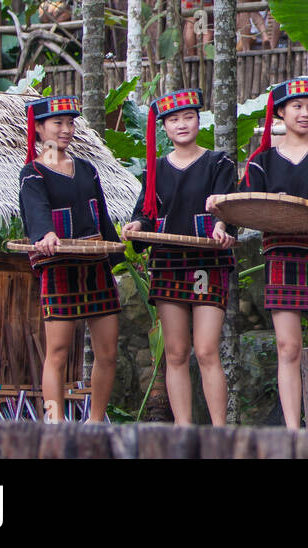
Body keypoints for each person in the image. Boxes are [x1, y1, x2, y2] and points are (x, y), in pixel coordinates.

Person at [233, 78, 308, 428]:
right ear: (280, 112)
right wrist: (222, 215)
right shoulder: (262, 162)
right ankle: (292, 433)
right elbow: (244, 206)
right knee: (288, 349)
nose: (305, 113)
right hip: (283, 257)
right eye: (297, 106)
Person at [121, 89, 237, 426]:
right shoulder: (155, 168)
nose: (182, 124)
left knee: (205, 350)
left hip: (207, 263)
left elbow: (227, 206)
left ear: (199, 120)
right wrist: (136, 225)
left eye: (188, 117)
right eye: (173, 120)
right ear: (164, 128)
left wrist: (221, 225)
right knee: (175, 353)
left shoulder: (219, 162)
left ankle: (219, 431)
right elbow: (146, 214)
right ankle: (183, 432)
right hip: (169, 262)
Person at [18, 96, 120, 424]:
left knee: (107, 352)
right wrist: (45, 234)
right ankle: (55, 423)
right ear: (38, 128)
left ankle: (95, 422)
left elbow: (101, 218)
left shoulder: (87, 169)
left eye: (70, 123)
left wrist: (117, 251)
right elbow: (37, 211)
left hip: (94, 266)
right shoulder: (33, 172)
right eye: (58, 123)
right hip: (59, 266)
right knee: (58, 352)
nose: (66, 129)